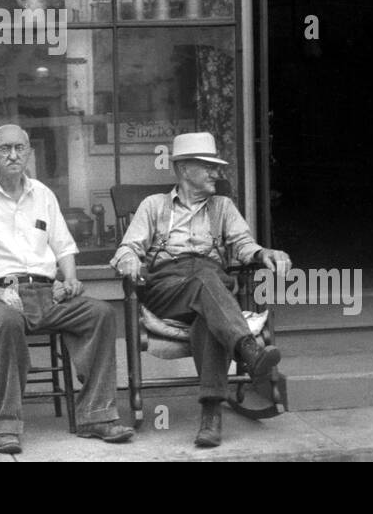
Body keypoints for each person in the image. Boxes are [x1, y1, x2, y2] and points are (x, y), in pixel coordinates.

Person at [0, 124, 134, 455]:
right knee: (7, 322)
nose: (13, 155)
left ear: (29, 152)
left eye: (19, 148)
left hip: (47, 294)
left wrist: (71, 278)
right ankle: (6, 426)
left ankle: (97, 416)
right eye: (4, 149)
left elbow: (63, 246)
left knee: (100, 313)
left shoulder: (43, 195)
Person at [110, 131, 291, 448]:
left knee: (208, 318)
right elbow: (127, 249)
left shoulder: (222, 207)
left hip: (210, 290)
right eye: (207, 166)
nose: (215, 172)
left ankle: (211, 418)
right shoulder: (154, 206)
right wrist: (129, 262)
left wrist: (265, 254)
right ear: (182, 170)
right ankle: (248, 349)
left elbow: (245, 246)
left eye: (215, 166)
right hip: (166, 287)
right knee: (206, 281)